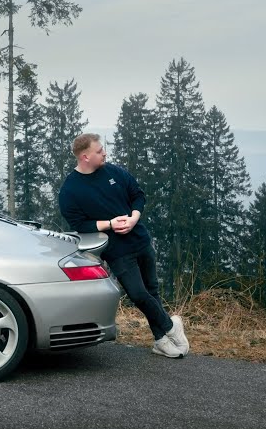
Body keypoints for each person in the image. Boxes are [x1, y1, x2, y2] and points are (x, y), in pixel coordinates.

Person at [57, 133, 189, 359]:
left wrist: (134, 217)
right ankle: (170, 326)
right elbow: (79, 225)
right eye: (99, 151)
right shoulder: (70, 190)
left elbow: (137, 194)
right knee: (138, 294)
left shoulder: (114, 172)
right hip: (116, 251)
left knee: (152, 291)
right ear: (85, 156)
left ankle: (160, 340)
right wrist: (109, 224)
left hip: (141, 240)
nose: (104, 153)